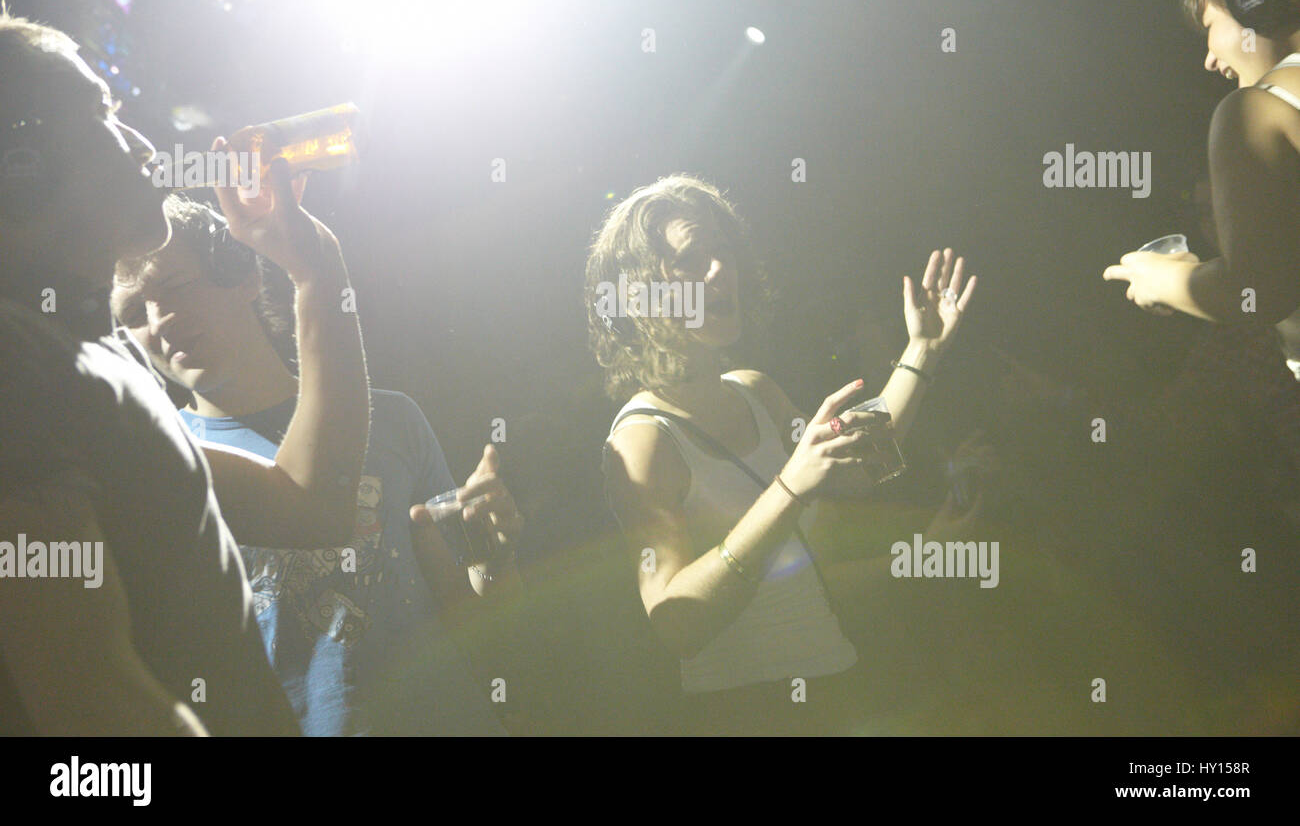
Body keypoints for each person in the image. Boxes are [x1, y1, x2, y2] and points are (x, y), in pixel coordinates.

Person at [0, 8, 369, 734]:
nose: (140, 145)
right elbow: (89, 707)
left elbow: (310, 502)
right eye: (102, 112)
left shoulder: (84, 356)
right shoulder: (17, 369)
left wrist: (313, 268)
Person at [111, 195, 524, 735]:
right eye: (130, 313)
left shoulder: (392, 420)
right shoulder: (154, 467)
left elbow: (479, 628)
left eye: (175, 288)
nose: (157, 320)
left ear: (245, 276)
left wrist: (492, 557)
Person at [587, 174, 976, 734]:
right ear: (639, 292)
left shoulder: (754, 390)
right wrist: (790, 487)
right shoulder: (644, 440)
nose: (722, 269)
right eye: (693, 258)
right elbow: (676, 625)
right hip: (746, 712)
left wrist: (923, 349)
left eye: (724, 251)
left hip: (835, 687)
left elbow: (863, 464)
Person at [1103, 0, 1300, 358]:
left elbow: (1259, 294)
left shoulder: (1253, 111)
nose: (1210, 60)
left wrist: (1164, 281)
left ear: (1255, 3)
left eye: (1210, 30)